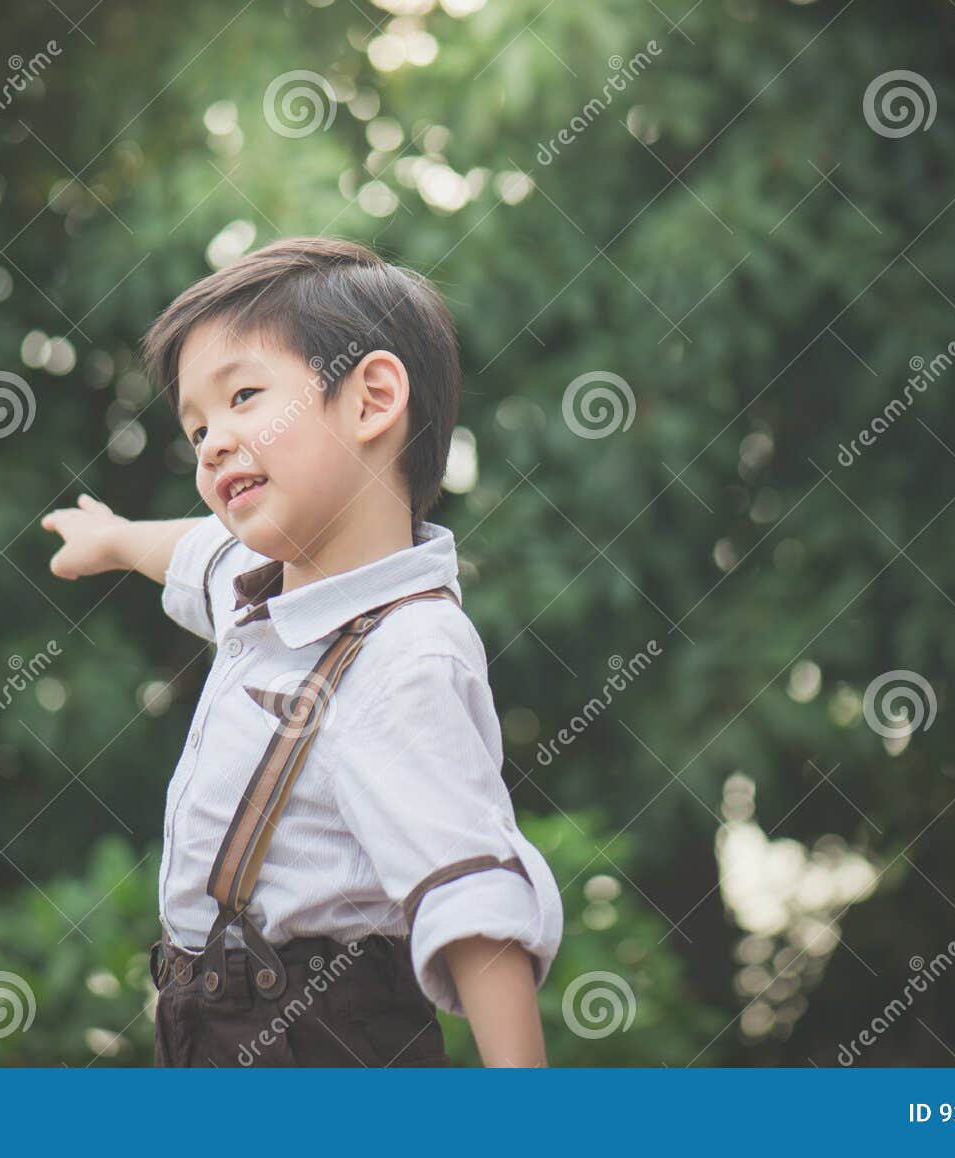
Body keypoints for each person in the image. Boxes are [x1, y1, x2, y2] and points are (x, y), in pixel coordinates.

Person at [40, 237, 563, 1067]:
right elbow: (192, 551)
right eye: (197, 425)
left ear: (370, 400)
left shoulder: (406, 652)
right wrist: (112, 539)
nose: (210, 443)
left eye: (244, 396)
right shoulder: (263, 592)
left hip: (322, 1042)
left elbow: (473, 896)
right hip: (209, 1032)